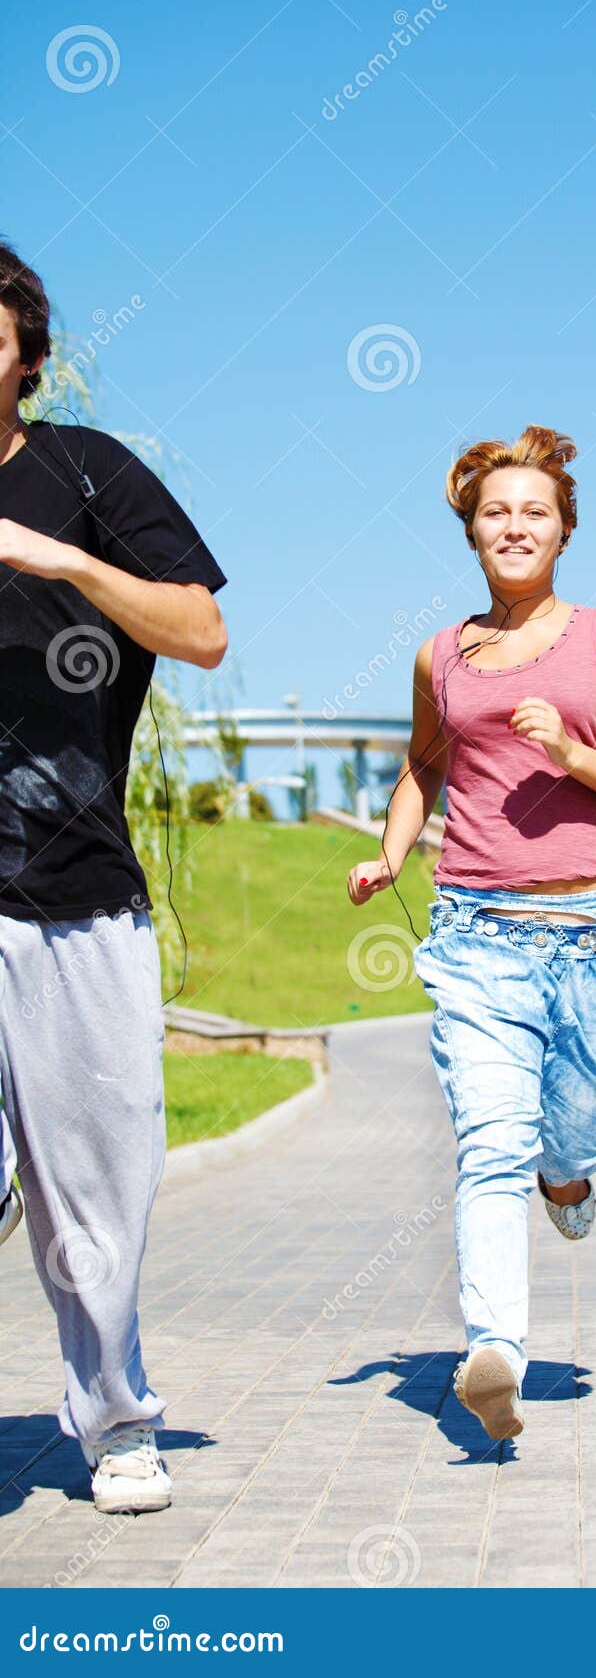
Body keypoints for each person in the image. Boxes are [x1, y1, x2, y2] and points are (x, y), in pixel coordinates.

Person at [347, 425, 596, 1441]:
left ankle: (566, 1174)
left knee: (570, 1133)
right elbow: (421, 766)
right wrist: (390, 853)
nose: (514, 525)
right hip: (477, 932)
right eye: (495, 513)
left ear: (562, 530)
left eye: (533, 511)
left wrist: (571, 751)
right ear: (471, 533)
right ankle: (496, 1349)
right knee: (489, 1142)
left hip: (593, 932)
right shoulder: (439, 655)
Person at [0, 240, 228, 1512]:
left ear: (24, 351)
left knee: (99, 1190)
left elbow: (200, 631)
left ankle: (116, 1420)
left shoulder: (89, 473)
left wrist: (67, 561)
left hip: (78, 889)